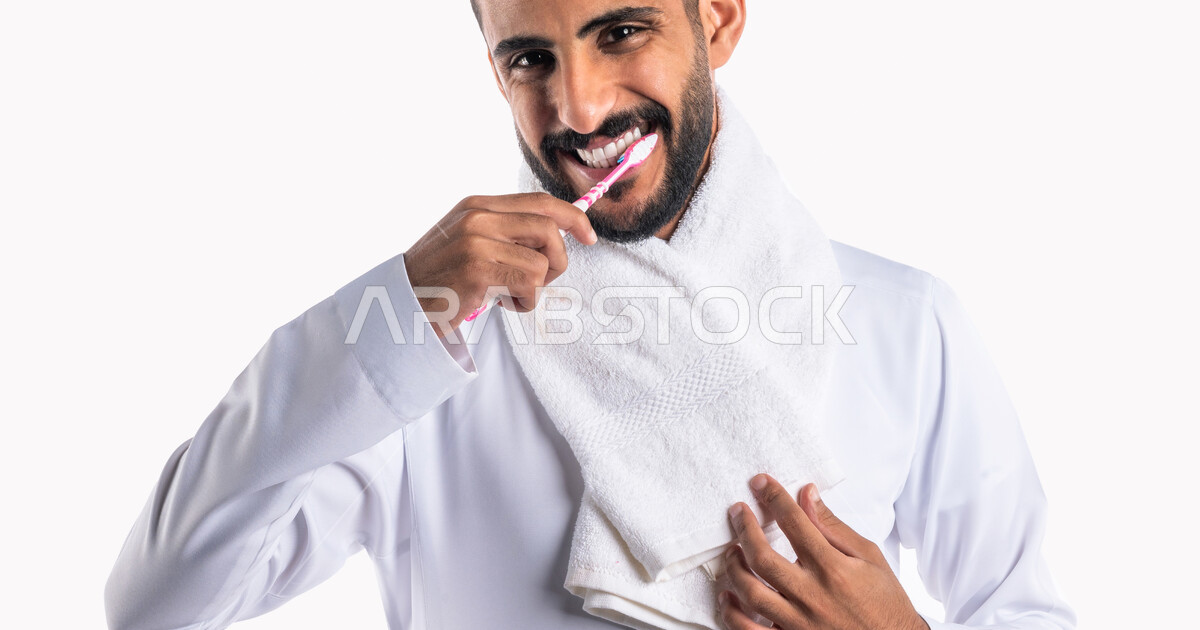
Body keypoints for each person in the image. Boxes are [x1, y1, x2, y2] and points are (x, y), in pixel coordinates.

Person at [105, 1, 1077, 629]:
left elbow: (1024, 608)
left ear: (722, 20)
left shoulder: (908, 327)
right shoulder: (424, 355)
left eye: (620, 32)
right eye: (530, 56)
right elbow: (154, 605)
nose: (577, 108)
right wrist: (395, 312)